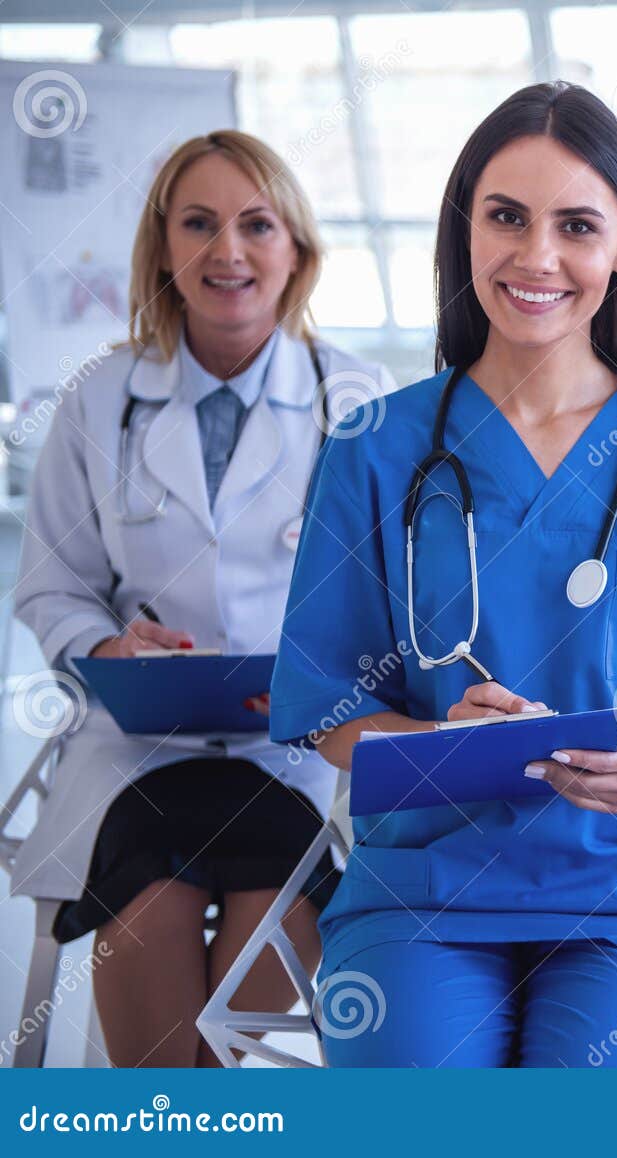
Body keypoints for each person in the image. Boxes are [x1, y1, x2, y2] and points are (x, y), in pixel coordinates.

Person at [269, 83, 617, 1068]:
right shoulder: (376, 446)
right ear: (464, 228)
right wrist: (434, 745)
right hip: (425, 890)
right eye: (506, 217)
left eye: (577, 226)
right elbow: (329, 706)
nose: (537, 256)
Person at [11, 130, 394, 1066]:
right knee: (150, 886)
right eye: (199, 224)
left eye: (255, 224)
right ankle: (179, 1110)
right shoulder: (100, 398)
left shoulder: (358, 399)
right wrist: (108, 654)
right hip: (137, 751)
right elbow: (55, 584)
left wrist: (323, 675)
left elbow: (395, 608)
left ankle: (188, 1109)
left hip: (294, 752)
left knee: (278, 882)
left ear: (296, 248)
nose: (228, 251)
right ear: (164, 246)